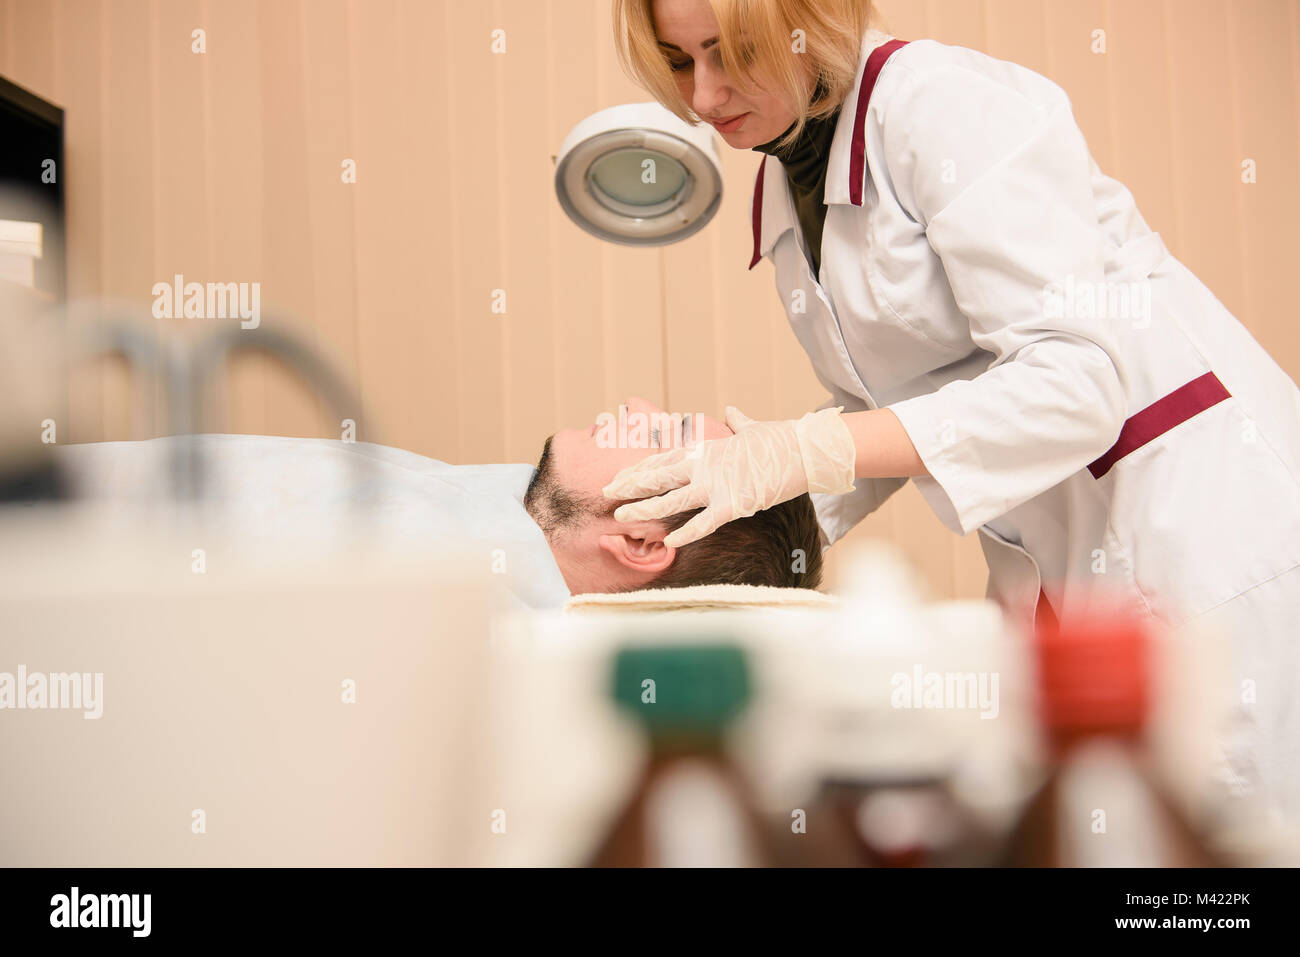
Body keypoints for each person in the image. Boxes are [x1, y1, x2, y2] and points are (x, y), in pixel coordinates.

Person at [606, 0, 1300, 826]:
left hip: (1200, 534)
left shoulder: (943, 109)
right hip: (1059, 554)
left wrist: (801, 453)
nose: (705, 96)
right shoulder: (792, 174)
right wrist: (754, 516)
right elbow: (896, 399)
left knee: (1211, 861)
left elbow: (1075, 383)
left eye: (729, 53)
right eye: (680, 62)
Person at [49, 396, 821, 610]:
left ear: (645, 545)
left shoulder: (422, 577)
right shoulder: (480, 507)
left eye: (666, 432)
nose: (633, 402)